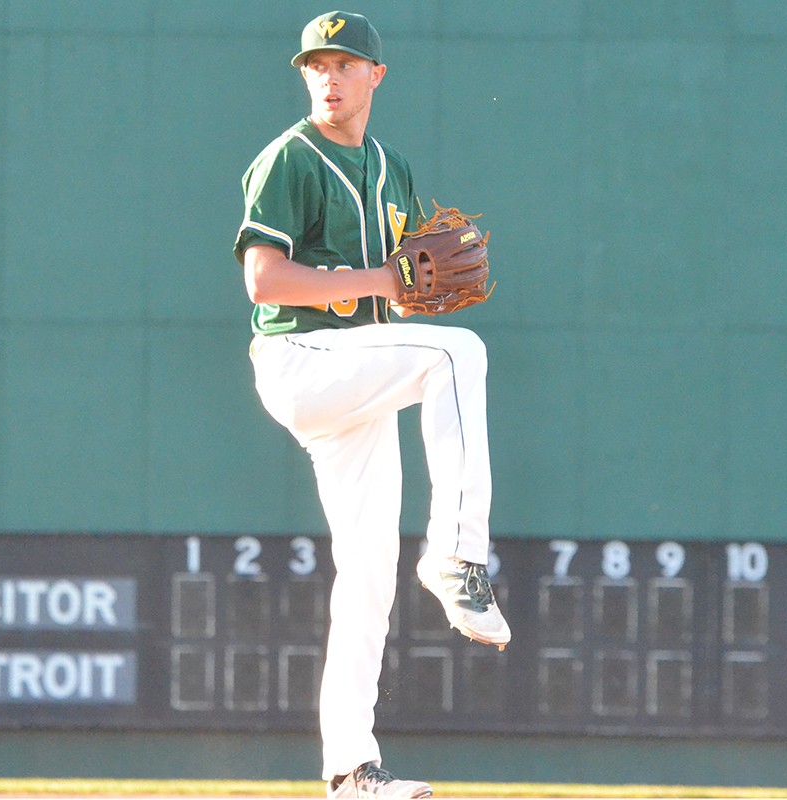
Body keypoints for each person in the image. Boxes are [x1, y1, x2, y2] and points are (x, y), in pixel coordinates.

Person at [233, 11, 511, 799]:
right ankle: (457, 555)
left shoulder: (394, 171)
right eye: (315, 65)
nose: (327, 78)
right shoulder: (289, 159)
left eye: (344, 64)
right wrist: (387, 285)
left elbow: (405, 303)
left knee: (367, 574)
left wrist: (412, 294)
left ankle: (351, 769)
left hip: (358, 374)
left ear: (374, 76)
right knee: (463, 352)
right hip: (296, 358)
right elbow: (265, 281)